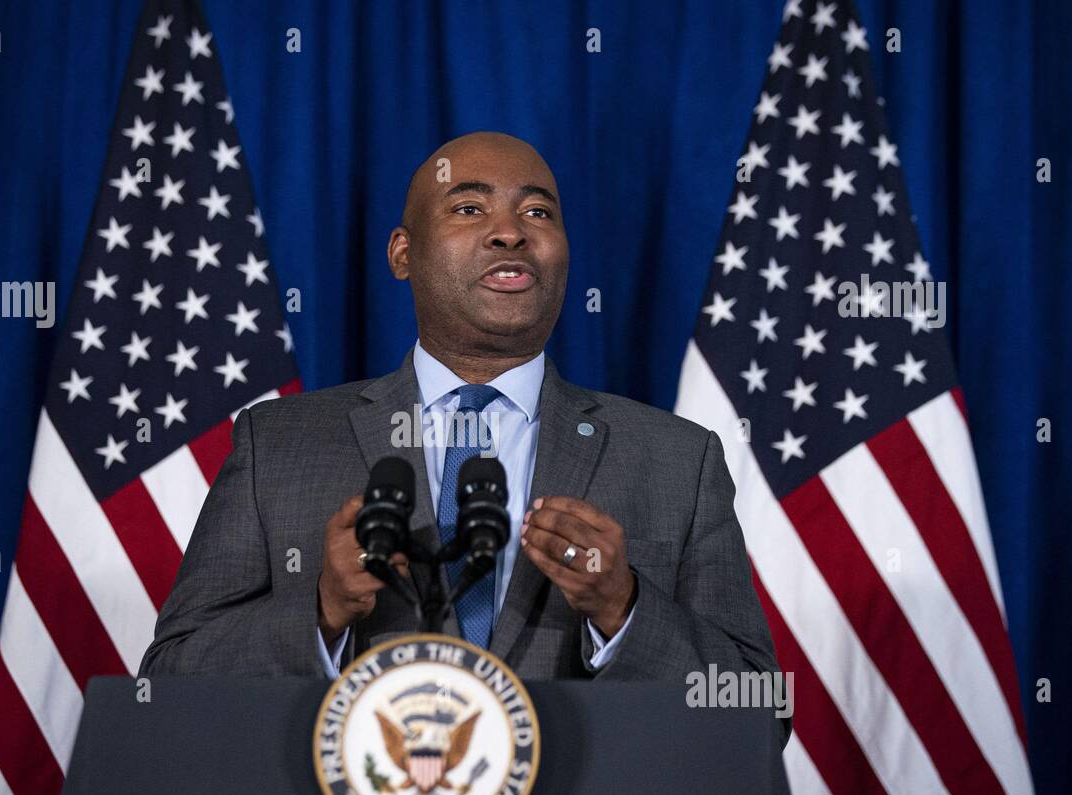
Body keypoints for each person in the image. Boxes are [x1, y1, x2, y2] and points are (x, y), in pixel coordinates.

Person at [140, 131, 786, 743]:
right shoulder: (276, 446)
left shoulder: (679, 460)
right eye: (470, 207)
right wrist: (320, 612)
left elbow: (762, 717)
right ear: (402, 254)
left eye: (538, 213)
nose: (510, 233)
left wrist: (626, 609)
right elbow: (165, 687)